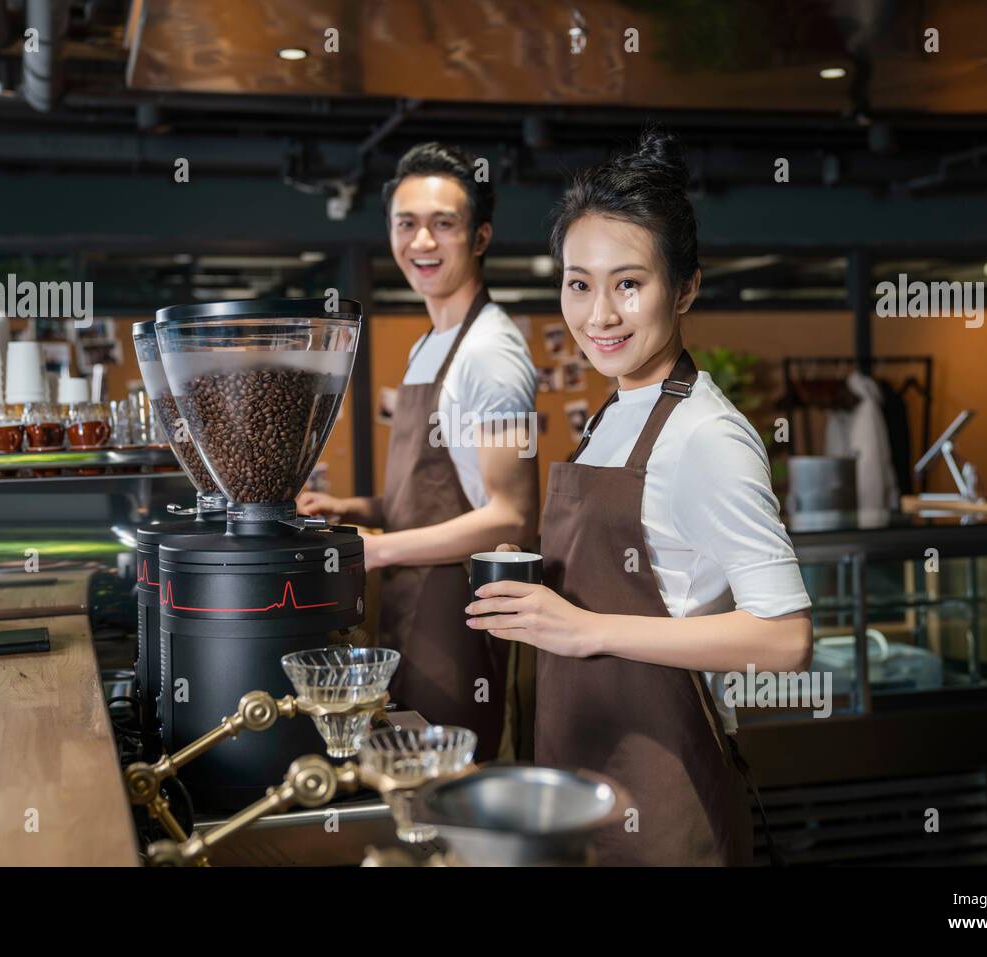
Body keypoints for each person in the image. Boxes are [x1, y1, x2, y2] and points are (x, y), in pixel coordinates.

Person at [465, 130, 813, 865]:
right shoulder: (612, 415)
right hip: (582, 779)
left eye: (629, 283)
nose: (599, 316)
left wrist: (585, 628)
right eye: (578, 283)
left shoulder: (706, 434)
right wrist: (539, 582)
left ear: (684, 287)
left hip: (662, 799)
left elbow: (784, 638)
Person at [298, 142, 539, 761]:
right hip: (410, 606)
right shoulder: (429, 344)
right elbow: (424, 494)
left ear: (479, 236)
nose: (422, 242)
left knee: (454, 791)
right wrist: (352, 505)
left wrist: (376, 548)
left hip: (458, 618)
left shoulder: (492, 353)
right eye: (407, 224)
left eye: (444, 224)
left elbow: (511, 515)